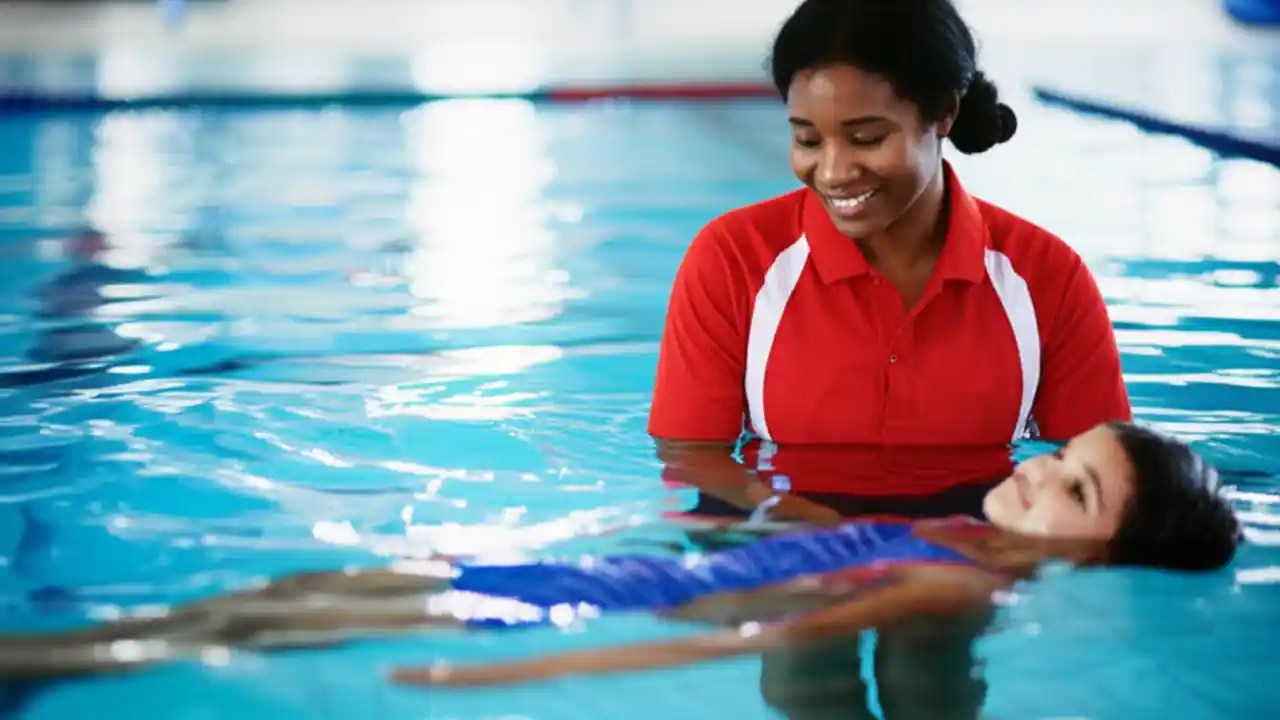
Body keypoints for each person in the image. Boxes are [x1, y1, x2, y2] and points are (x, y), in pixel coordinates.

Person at [0, 422, 1241, 685]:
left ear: (1104, 552)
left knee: (305, 613)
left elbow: (781, 630)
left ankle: (49, 658)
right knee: (291, 598)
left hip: (583, 611)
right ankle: (54, 661)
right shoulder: (965, 536)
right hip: (607, 579)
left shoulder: (953, 579)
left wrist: (516, 676)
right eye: (1056, 450)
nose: (1032, 469)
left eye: (1068, 487)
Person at [649, 0, 1133, 524]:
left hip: (972, 553)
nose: (832, 172)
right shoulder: (732, 258)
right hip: (785, 541)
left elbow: (1106, 479)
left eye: (867, 138)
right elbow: (692, 458)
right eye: (807, 139)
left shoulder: (1045, 278)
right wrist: (822, 536)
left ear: (943, 112)